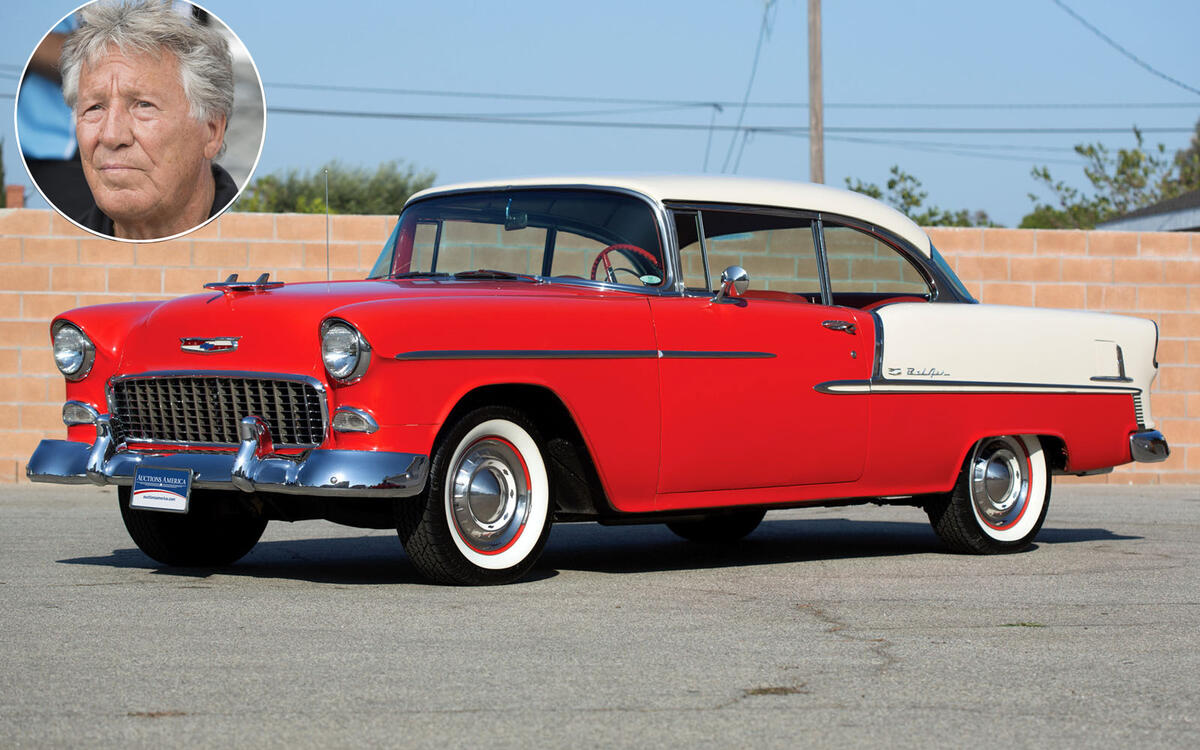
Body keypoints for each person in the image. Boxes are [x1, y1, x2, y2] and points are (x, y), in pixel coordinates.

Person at [59, 0, 237, 240]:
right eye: (94, 108)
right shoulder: (57, 252)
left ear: (212, 130)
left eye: (144, 105)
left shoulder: (258, 240)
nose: (111, 136)